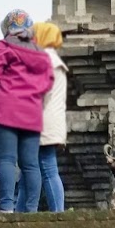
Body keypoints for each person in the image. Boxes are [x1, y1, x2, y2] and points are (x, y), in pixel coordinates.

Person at [0, 10, 53, 213]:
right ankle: (30, 210)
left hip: (4, 109)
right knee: (30, 164)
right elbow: (48, 82)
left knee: (6, 159)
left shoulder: (4, 46)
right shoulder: (40, 52)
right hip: (30, 112)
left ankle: (6, 207)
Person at [28, 22, 69, 213]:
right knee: (42, 167)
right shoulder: (56, 61)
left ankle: (57, 212)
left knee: (46, 167)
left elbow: (39, 93)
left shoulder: (46, 61)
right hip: (53, 122)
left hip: (43, 121)